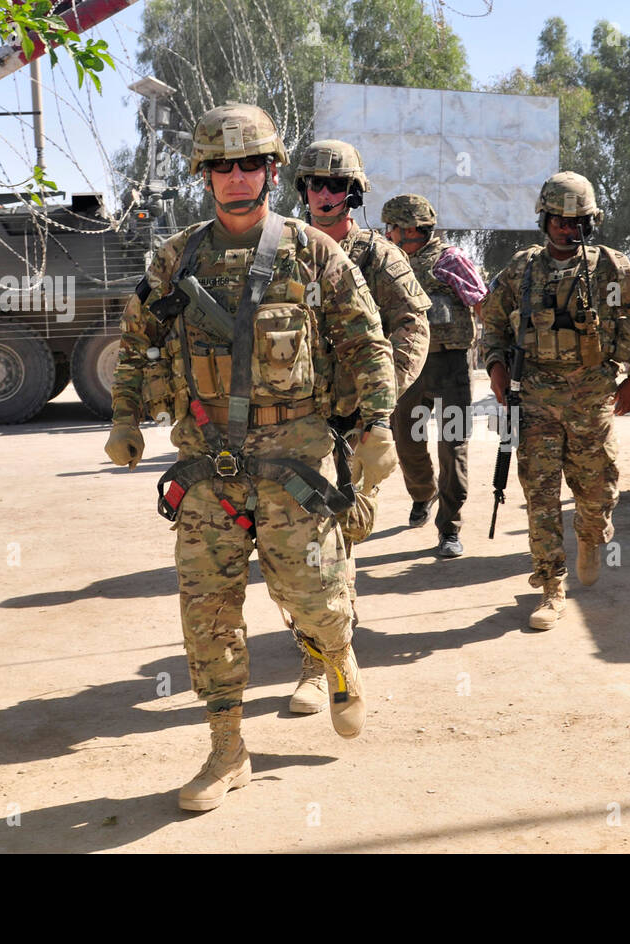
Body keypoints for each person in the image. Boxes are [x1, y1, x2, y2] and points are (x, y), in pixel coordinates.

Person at [105, 104, 398, 811]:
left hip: (294, 461)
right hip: (208, 465)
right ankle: (226, 747)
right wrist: (125, 417)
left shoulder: (313, 252)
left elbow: (366, 341)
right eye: (219, 166)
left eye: (249, 164)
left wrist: (377, 423)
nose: (235, 178)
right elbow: (139, 342)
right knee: (208, 612)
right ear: (203, 175)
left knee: (316, 600)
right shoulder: (176, 258)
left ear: (271, 170)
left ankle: (335, 655)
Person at [480, 171, 630, 630]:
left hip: (592, 399)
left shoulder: (611, 267)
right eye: (559, 219)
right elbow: (492, 323)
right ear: (544, 219)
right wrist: (496, 367)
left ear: (591, 222)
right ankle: (550, 584)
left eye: (577, 220)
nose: (567, 228)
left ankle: (589, 536)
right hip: (535, 400)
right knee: (540, 495)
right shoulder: (522, 269)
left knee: (597, 492)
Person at [286, 139, 430, 715]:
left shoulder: (379, 256)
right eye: (315, 185)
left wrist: (381, 403)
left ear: (354, 193)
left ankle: (334, 650)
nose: (324, 194)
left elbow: (412, 324)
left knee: (344, 534)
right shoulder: (282, 249)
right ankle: (315, 665)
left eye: (336, 185)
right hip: (292, 425)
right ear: (303, 191)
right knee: (302, 544)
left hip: (353, 425)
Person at [383, 193, 489, 558]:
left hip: (449, 367)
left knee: (452, 447)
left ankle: (450, 528)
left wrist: (498, 355)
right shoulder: (387, 261)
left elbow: (482, 305)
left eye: (392, 227)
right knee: (406, 441)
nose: (388, 233)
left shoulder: (451, 259)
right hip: (406, 370)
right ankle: (422, 494)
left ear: (410, 229)